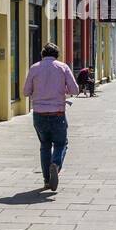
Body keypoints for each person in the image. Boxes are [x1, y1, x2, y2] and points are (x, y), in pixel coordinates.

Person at [22, 43, 78, 191]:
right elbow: (75, 89)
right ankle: (56, 164)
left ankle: (47, 180)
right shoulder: (63, 67)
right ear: (57, 54)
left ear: (42, 54)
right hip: (58, 113)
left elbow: (26, 92)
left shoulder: (34, 68)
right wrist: (63, 89)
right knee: (61, 143)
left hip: (39, 114)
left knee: (45, 146)